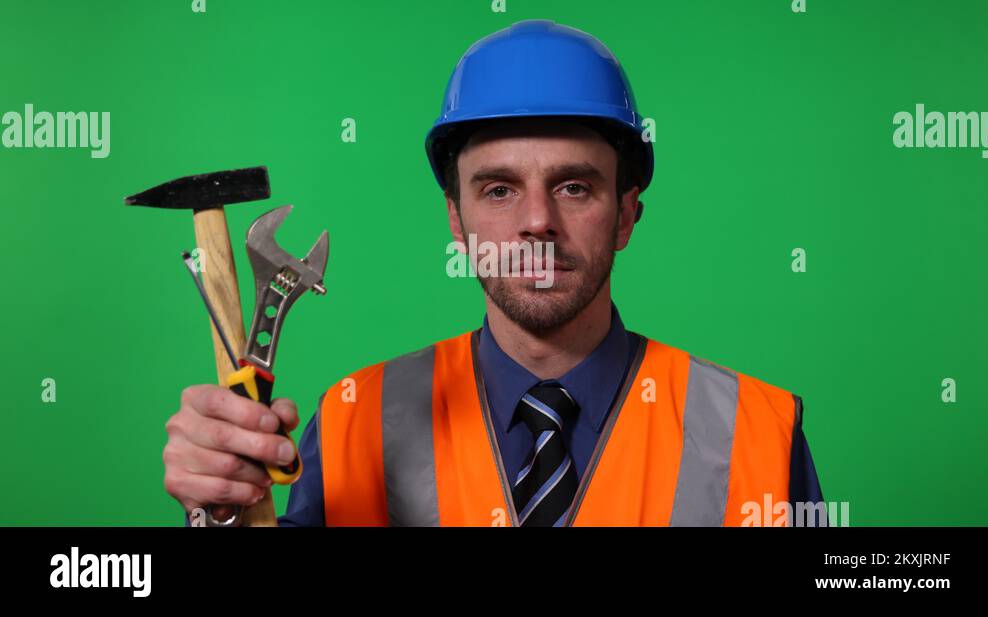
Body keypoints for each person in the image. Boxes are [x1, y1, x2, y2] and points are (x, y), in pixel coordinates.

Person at [164, 19, 823, 527]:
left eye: (574, 187)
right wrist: (218, 506)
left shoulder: (755, 432)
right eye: (499, 189)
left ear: (626, 214)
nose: (537, 222)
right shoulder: (353, 421)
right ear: (456, 218)